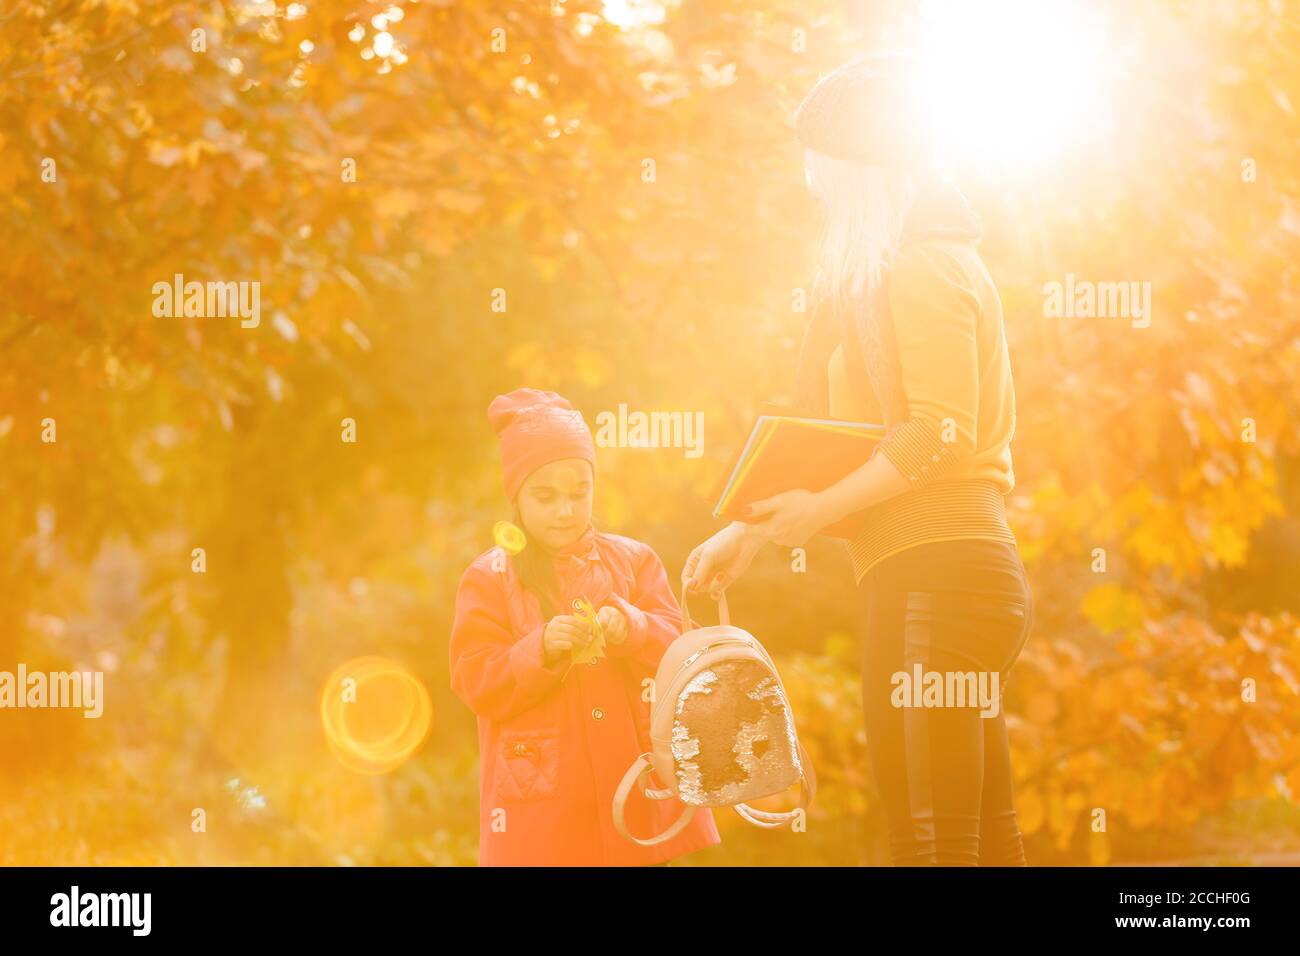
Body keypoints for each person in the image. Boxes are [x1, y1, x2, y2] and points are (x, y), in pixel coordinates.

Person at [683, 52, 1033, 866]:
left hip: (947, 572)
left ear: (863, 165)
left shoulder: (924, 265)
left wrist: (817, 512)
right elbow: (839, 441)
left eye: (821, 163)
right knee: (968, 831)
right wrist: (755, 529)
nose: (810, 183)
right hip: (913, 573)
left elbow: (937, 432)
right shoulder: (887, 274)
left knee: (932, 838)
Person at [450, 387, 721, 865]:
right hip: (544, 799)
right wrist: (540, 648)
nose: (565, 510)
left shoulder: (634, 561)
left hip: (631, 784)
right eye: (545, 496)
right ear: (516, 495)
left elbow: (684, 652)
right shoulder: (490, 577)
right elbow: (474, 678)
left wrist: (633, 627)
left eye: (579, 493)